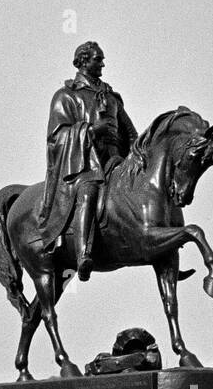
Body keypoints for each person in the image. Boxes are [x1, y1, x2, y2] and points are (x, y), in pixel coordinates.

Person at [34, 41, 138, 280]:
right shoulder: (66, 97)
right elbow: (56, 137)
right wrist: (92, 130)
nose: (102, 63)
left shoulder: (111, 97)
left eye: (102, 59)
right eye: (97, 59)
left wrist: (141, 154)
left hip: (114, 160)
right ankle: (83, 253)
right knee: (89, 191)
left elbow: (131, 133)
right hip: (84, 165)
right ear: (82, 61)